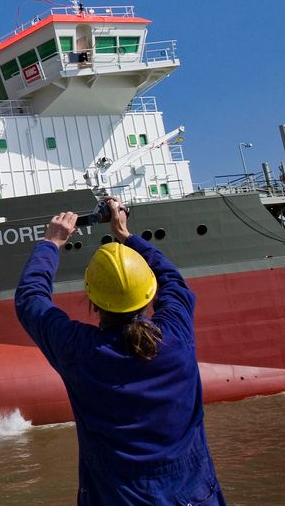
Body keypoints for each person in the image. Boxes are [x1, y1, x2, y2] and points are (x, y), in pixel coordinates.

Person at [14, 198, 225, 505]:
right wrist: (126, 235)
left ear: (92, 300)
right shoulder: (177, 335)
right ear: (149, 293)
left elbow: (31, 299)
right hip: (194, 496)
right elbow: (174, 282)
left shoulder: (80, 351)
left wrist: (51, 243)